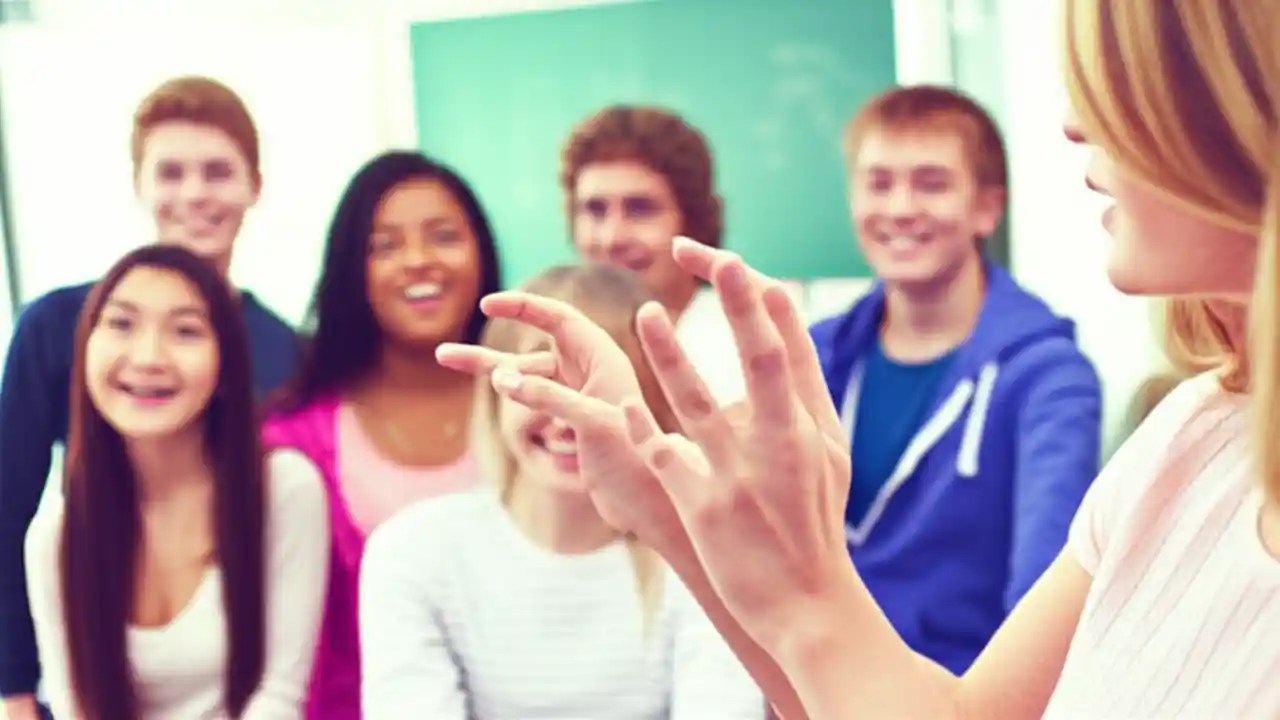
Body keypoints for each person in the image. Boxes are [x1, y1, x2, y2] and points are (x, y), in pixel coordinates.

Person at [437, 0, 1280, 715]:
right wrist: (662, 513)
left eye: (1121, 81)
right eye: (877, 184)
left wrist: (803, 592)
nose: (1072, 120)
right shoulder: (1191, 433)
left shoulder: (1046, 376)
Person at [0, 75, 300, 720]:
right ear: (139, 184)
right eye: (170, 172)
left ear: (255, 186)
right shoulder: (57, 328)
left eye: (217, 171)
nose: (194, 194)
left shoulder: (286, 354)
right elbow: (6, 508)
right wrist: (13, 692)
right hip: (91, 663)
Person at [359, 262, 765, 719]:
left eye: (599, 391)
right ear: (495, 396)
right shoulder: (413, 549)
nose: (570, 415)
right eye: (543, 384)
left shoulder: (705, 562)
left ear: (656, 408)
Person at [808, 85, 1102, 672]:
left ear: (987, 209)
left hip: (964, 694)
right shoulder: (812, 356)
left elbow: (1039, 612)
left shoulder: (1050, 380)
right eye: (879, 182)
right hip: (814, 689)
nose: (899, 208)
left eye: (932, 183)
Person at [23, 244, 329, 719]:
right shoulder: (55, 537)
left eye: (185, 331)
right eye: (122, 324)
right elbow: (74, 709)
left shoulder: (284, 489)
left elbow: (279, 695)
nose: (148, 357)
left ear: (226, 367)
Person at [262, 151, 502, 718]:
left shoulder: (536, 411)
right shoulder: (290, 439)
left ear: (482, 255)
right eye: (384, 245)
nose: (418, 261)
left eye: (444, 236)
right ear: (352, 269)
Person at [561, 105, 744, 405]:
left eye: (640, 209)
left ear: (695, 222)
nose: (612, 238)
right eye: (594, 210)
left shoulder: (743, 353)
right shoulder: (549, 345)